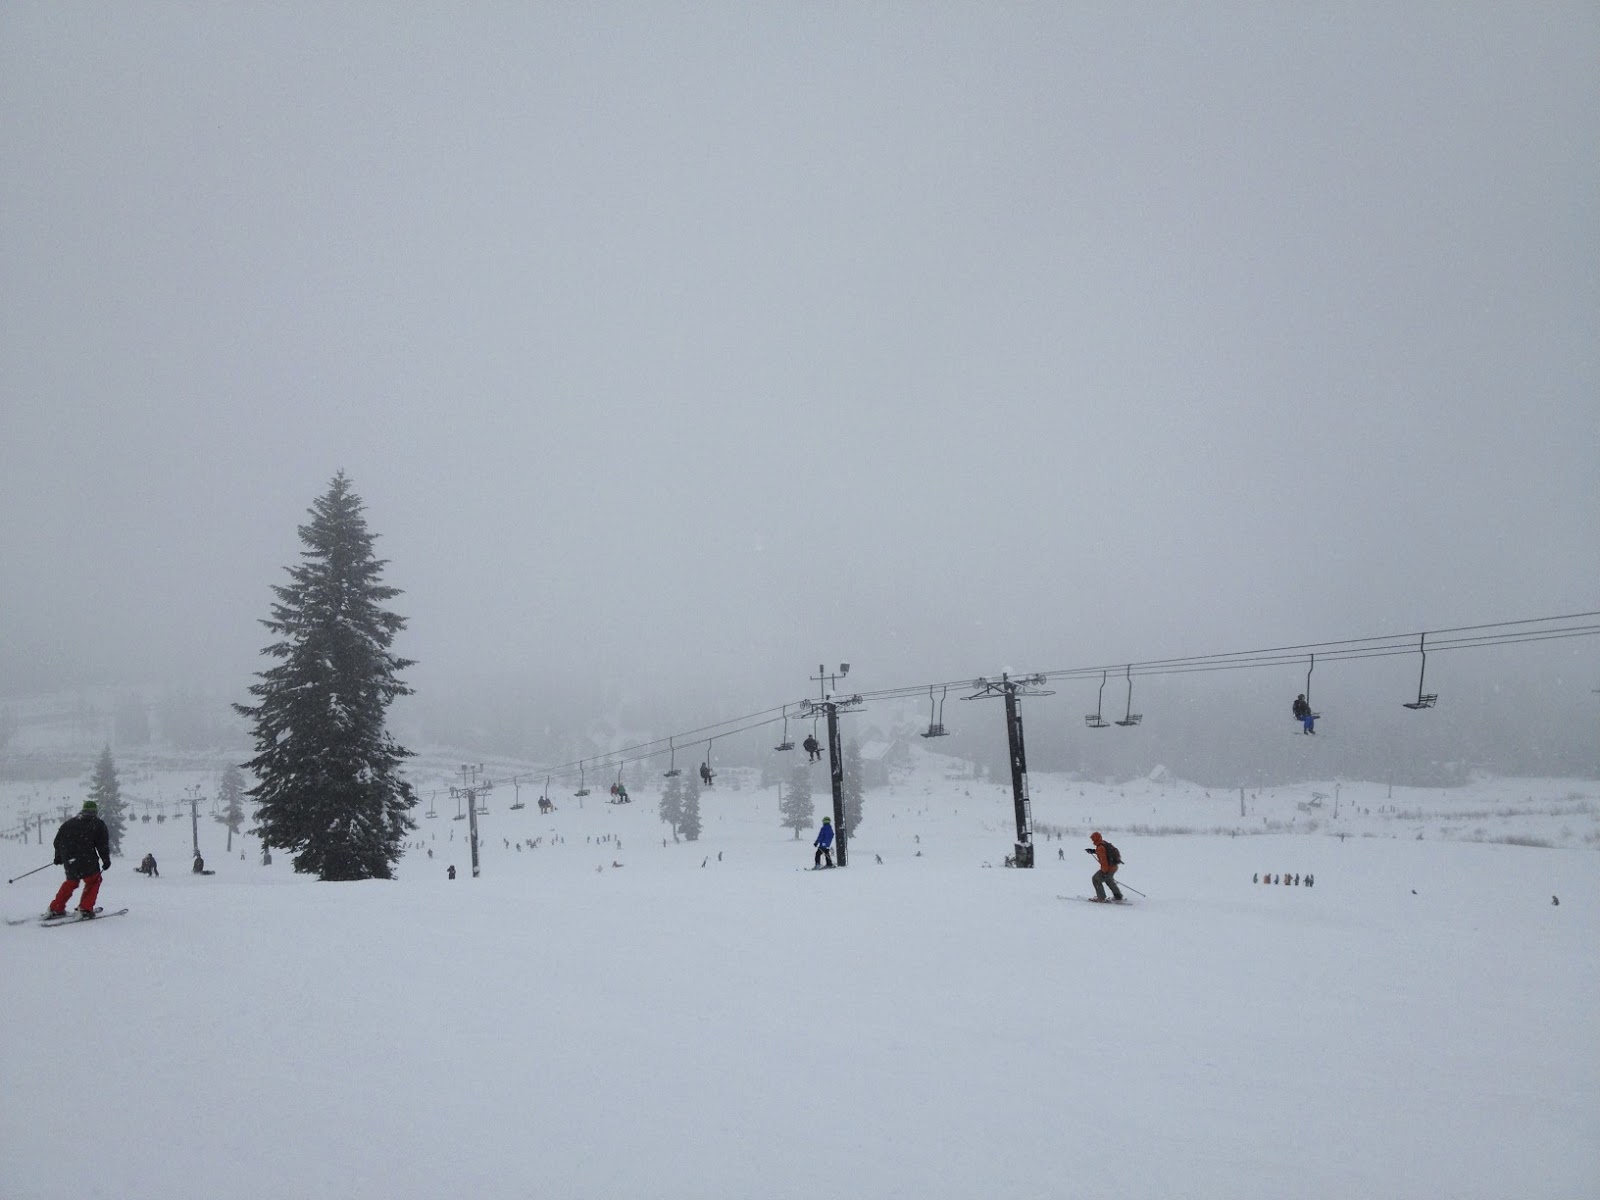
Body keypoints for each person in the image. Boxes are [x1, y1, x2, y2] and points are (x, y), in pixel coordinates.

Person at [49, 800, 112, 917]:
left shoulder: (69, 823)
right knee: (94, 881)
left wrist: (58, 857)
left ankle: (56, 908)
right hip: (87, 859)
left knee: (71, 882)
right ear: (95, 812)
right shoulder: (98, 824)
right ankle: (85, 908)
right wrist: (106, 860)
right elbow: (102, 845)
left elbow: (58, 841)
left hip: (70, 860)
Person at [1084, 831, 1123, 902]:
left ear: (1095, 839)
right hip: (1114, 866)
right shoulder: (1103, 843)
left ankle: (1101, 897)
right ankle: (1118, 896)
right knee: (1109, 880)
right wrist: (1093, 851)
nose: (1092, 840)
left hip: (1108, 868)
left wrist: (1104, 872)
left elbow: (1104, 861)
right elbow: (1106, 852)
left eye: (1092, 839)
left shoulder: (1100, 848)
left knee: (1095, 879)